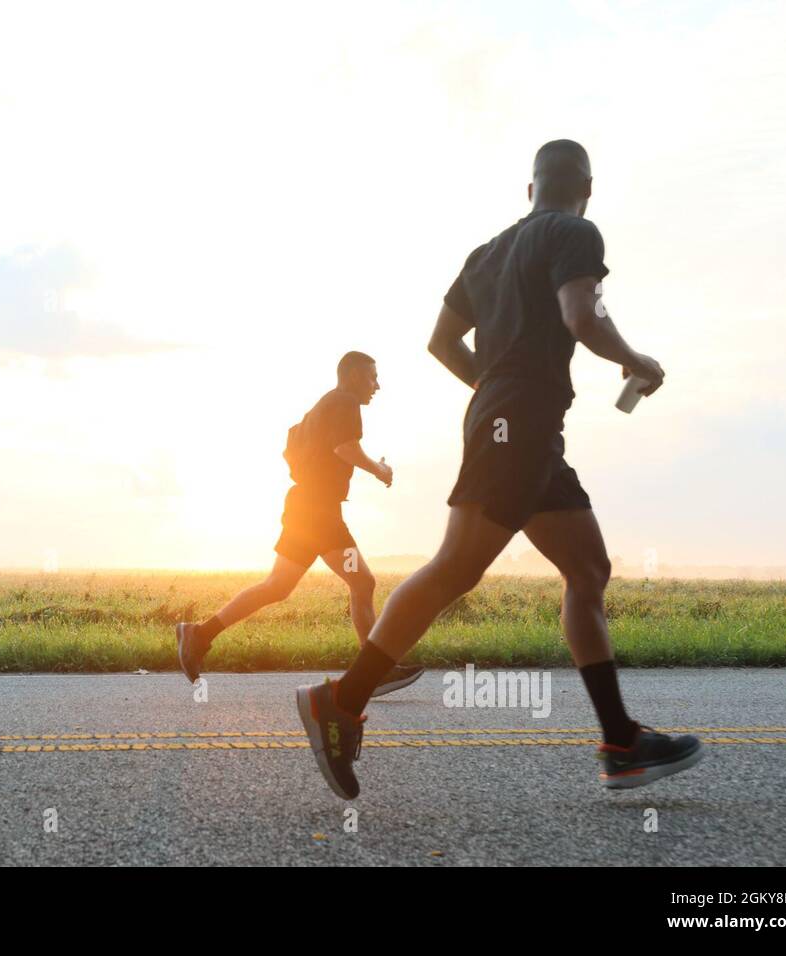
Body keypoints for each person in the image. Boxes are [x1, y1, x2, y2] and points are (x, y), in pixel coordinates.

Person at [297, 141, 703, 798]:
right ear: (587, 188)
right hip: (519, 424)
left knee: (587, 571)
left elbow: (440, 341)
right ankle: (339, 701)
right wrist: (636, 361)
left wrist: (493, 387)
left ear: (530, 188)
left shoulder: (486, 255)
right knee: (455, 567)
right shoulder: (576, 231)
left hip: (521, 427)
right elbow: (582, 314)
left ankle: (621, 742)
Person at [176, 352, 423, 698]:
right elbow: (345, 449)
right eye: (372, 378)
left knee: (277, 586)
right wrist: (380, 470)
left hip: (305, 508)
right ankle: (374, 671)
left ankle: (200, 634)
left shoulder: (323, 406)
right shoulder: (345, 402)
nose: (377, 386)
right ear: (353, 376)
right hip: (321, 514)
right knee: (363, 581)